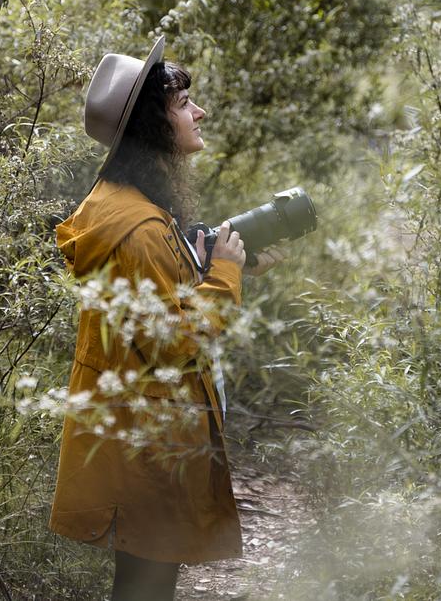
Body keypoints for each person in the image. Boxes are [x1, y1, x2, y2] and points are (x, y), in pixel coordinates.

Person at [50, 36, 282, 601]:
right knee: (145, 591)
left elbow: (153, 306)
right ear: (153, 126)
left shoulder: (122, 205)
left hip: (136, 434)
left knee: (143, 586)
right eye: (182, 104)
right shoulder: (140, 228)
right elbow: (173, 341)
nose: (197, 112)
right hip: (146, 448)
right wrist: (224, 276)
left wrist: (216, 262)